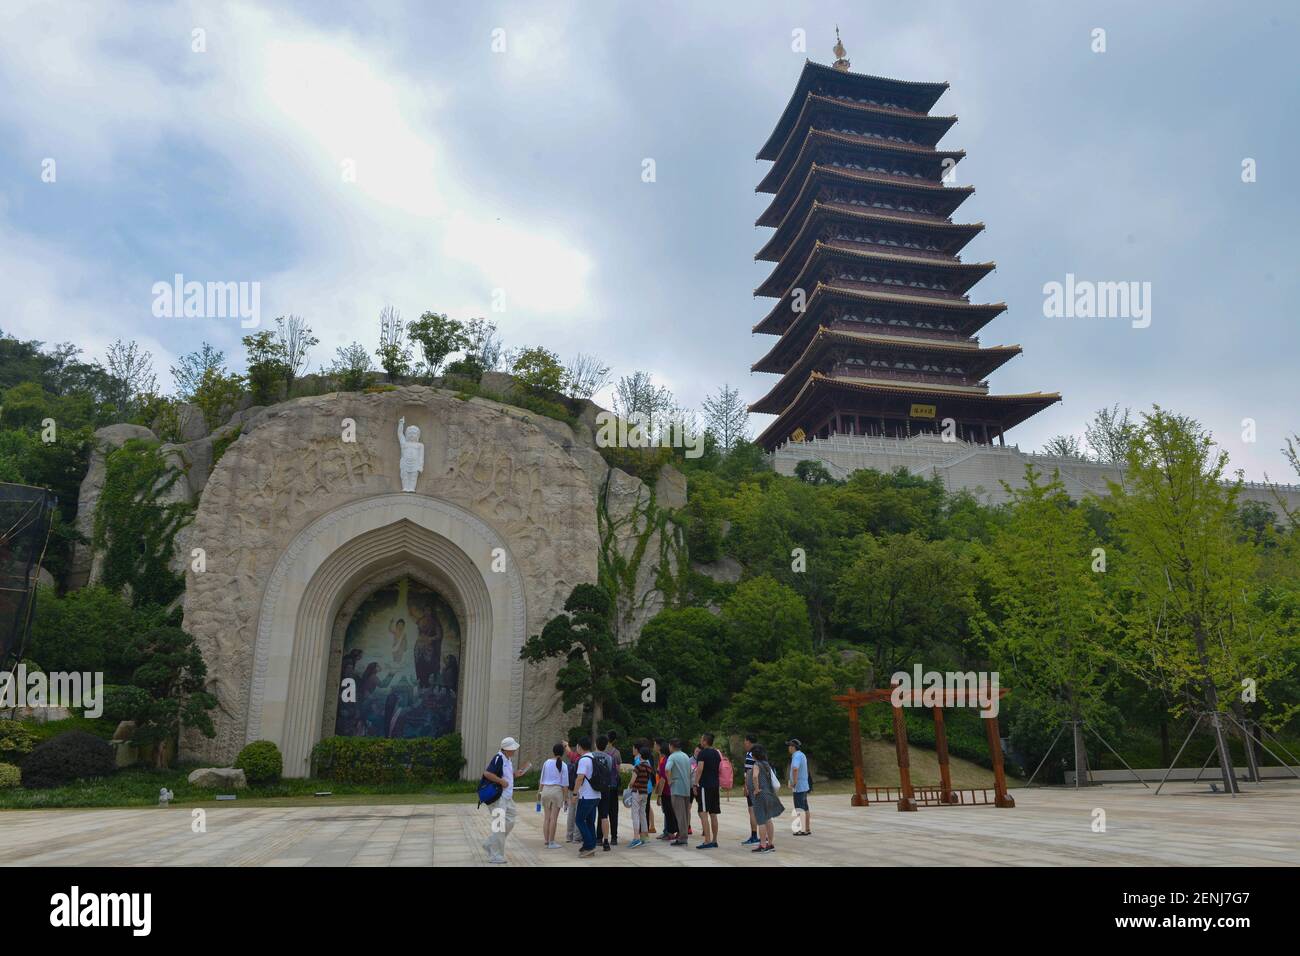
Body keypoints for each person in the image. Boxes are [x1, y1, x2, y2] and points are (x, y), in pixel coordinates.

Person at [480, 736, 530, 864]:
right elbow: (487, 774)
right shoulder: (498, 758)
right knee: (499, 826)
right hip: (498, 798)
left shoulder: (508, 759)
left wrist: (514, 775)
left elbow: (505, 775)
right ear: (506, 749)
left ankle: (490, 843)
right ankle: (495, 855)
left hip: (507, 797)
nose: (514, 750)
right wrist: (501, 781)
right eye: (513, 748)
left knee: (510, 820)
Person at [749, 744, 783, 853]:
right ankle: (770, 843)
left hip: (761, 795)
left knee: (761, 820)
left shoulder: (757, 764)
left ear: (754, 755)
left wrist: (756, 788)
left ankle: (762, 845)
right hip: (769, 794)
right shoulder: (767, 764)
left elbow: (755, 776)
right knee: (768, 819)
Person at [573, 737, 602, 858]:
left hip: (587, 796)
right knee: (590, 821)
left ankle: (589, 846)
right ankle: (591, 845)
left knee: (579, 820)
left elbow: (580, 778)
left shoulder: (584, 760)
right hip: (596, 795)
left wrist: (574, 794)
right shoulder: (593, 757)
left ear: (580, 746)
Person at [692, 732, 722, 849]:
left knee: (703, 813)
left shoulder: (703, 753)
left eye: (701, 739)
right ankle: (714, 840)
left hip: (705, 786)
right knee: (713, 814)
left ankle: (707, 840)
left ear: (705, 741)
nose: (700, 741)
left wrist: (695, 783)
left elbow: (700, 769)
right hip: (715, 785)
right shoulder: (716, 753)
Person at [539, 742, 569, 849]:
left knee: (547, 818)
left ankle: (547, 841)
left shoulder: (546, 763)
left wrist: (539, 792)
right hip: (557, 791)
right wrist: (566, 799)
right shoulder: (564, 765)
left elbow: (542, 779)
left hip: (546, 790)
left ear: (553, 751)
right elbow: (565, 784)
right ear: (562, 753)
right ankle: (552, 842)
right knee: (553, 818)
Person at [665, 738, 693, 846]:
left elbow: (667, 769)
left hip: (676, 788)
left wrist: (669, 781)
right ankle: (684, 835)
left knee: (679, 813)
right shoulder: (686, 756)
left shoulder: (672, 757)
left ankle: (682, 837)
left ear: (672, 746)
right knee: (685, 813)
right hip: (686, 788)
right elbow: (690, 771)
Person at [627, 744, 654, 847]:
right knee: (642, 814)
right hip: (645, 792)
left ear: (640, 755)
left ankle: (636, 837)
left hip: (637, 792)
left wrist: (629, 786)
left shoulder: (638, 767)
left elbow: (632, 781)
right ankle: (644, 836)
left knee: (635, 815)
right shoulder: (648, 767)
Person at [653, 738, 676, 841]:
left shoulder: (664, 762)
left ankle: (670, 833)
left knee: (668, 812)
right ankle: (669, 832)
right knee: (670, 812)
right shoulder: (669, 760)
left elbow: (663, 780)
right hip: (671, 790)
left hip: (666, 791)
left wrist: (659, 796)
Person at [788, 738, 812, 836]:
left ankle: (801, 829)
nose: (788, 748)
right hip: (804, 785)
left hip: (798, 786)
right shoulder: (802, 754)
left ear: (793, 747)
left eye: (789, 746)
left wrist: (794, 782)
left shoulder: (796, 756)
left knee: (799, 808)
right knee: (805, 807)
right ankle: (807, 828)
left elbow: (795, 769)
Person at [594, 734, 613, 852]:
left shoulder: (591, 756)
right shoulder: (609, 758)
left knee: (590, 815)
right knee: (604, 816)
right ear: (606, 746)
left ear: (596, 744)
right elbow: (609, 772)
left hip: (592, 789)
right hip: (605, 789)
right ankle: (606, 841)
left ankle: (593, 839)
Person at [740, 733, 760, 845]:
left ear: (748, 741)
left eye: (745, 741)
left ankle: (754, 836)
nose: (744, 743)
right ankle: (763, 835)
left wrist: (746, 786)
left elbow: (748, 772)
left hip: (752, 785)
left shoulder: (750, 754)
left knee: (752, 810)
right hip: (760, 784)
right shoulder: (759, 752)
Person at [604, 731, 623, 845]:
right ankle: (614, 838)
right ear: (614, 740)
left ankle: (600, 837)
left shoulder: (601, 751)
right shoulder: (616, 753)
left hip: (603, 786)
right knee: (613, 812)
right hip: (613, 785)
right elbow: (618, 770)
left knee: (602, 813)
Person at [564, 739, 581, 843]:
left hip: (570, 788)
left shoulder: (574, 757)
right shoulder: (582, 758)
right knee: (578, 812)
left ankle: (569, 836)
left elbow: (568, 752)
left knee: (571, 811)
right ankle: (577, 836)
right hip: (578, 789)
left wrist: (566, 745)